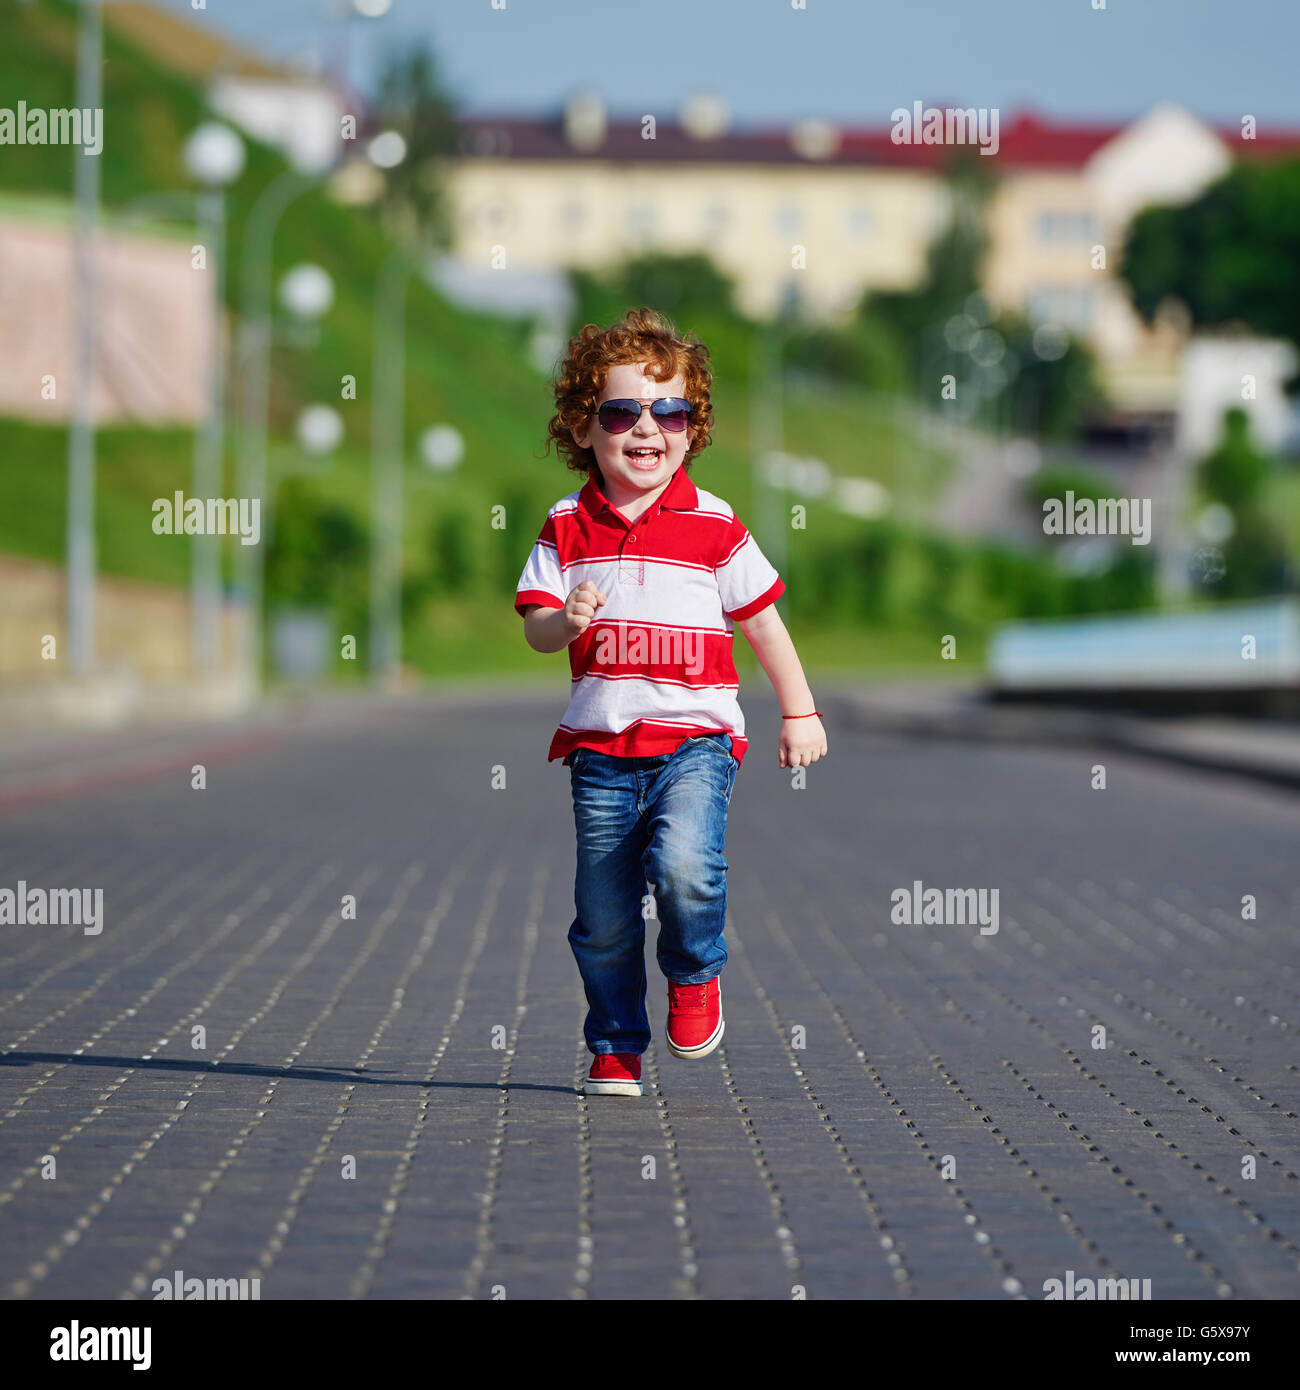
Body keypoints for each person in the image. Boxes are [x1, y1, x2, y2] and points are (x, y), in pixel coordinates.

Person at [515, 307, 827, 1097]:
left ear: (692, 428)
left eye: (670, 412)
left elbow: (763, 624)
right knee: (605, 913)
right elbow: (539, 636)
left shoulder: (714, 524)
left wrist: (800, 711)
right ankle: (616, 1042)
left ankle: (694, 974)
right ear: (585, 430)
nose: (646, 429)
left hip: (695, 741)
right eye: (621, 412)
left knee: (687, 866)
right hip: (600, 754)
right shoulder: (564, 526)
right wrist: (565, 620)